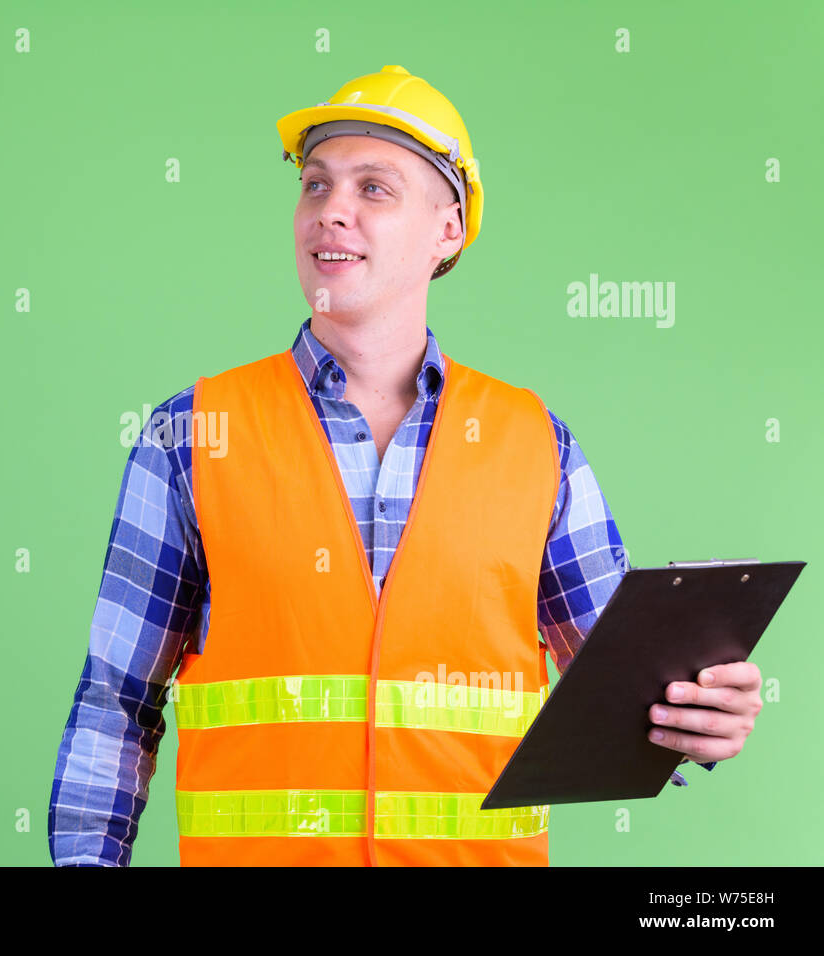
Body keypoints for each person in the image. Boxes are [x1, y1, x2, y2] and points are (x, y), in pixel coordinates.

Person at [48, 65, 762, 867]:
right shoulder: (193, 431)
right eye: (315, 185)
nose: (332, 211)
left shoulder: (538, 445)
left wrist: (702, 715)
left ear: (447, 230)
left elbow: (628, 694)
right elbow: (117, 702)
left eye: (373, 189)